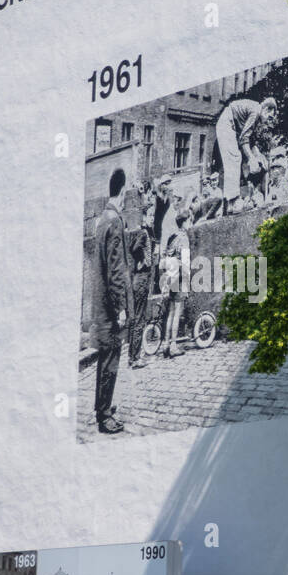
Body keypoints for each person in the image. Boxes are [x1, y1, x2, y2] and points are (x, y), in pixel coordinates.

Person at [90, 168, 134, 433]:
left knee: (105, 358)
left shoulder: (102, 219)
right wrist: (120, 308)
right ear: (122, 191)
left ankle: (102, 406)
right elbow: (117, 270)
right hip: (110, 306)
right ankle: (104, 416)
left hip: (101, 303)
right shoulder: (114, 221)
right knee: (110, 360)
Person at [214, 97, 278, 213]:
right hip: (227, 123)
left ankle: (231, 203)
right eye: (269, 117)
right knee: (234, 157)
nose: (268, 121)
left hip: (231, 124)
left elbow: (250, 140)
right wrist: (252, 159)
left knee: (237, 158)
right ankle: (233, 201)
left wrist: (258, 155)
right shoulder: (256, 111)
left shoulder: (256, 113)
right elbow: (244, 140)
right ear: (266, 109)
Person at [127, 205, 155, 369]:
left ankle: (132, 356)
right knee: (139, 319)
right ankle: (135, 358)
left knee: (136, 318)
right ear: (144, 217)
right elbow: (134, 248)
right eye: (150, 216)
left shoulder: (143, 232)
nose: (152, 219)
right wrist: (142, 260)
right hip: (141, 278)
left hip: (140, 278)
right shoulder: (143, 233)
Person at [161, 208, 191, 358]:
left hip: (170, 276)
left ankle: (165, 344)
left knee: (171, 312)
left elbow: (166, 256)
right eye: (189, 220)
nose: (190, 223)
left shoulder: (172, 237)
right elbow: (185, 263)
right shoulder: (184, 238)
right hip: (179, 277)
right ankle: (173, 346)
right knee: (177, 312)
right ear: (184, 222)